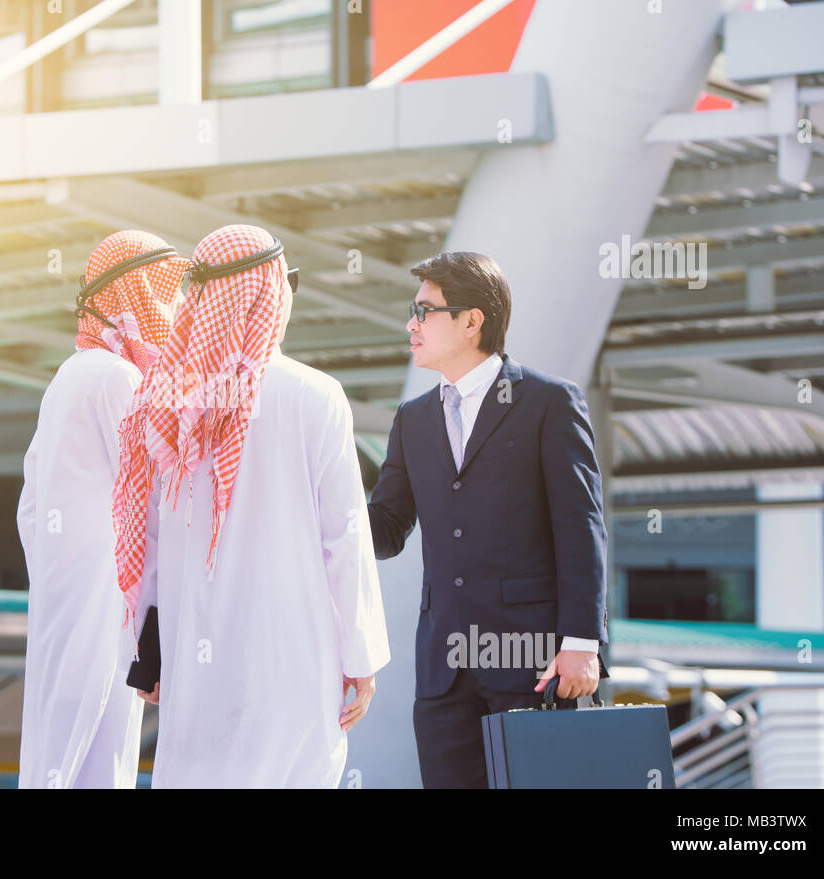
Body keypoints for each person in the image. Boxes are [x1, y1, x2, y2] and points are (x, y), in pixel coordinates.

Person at [112, 224, 390, 788]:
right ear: (270, 294)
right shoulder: (315, 395)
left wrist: (150, 649)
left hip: (196, 664)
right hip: (291, 657)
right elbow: (345, 534)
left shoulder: (165, 402)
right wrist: (361, 655)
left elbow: (149, 538)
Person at [367, 250, 609, 789]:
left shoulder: (549, 402)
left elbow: (581, 527)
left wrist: (582, 643)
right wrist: (318, 505)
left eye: (424, 309)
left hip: (533, 665)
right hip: (443, 671)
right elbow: (385, 529)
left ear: (471, 321)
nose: (411, 322)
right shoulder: (412, 419)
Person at [16, 230, 189, 788]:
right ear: (133, 292)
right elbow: (153, 497)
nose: (171, 306)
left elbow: (29, 507)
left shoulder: (69, 375)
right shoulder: (120, 378)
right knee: (103, 750)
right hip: (110, 596)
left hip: (66, 591)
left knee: (63, 750)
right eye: (162, 289)